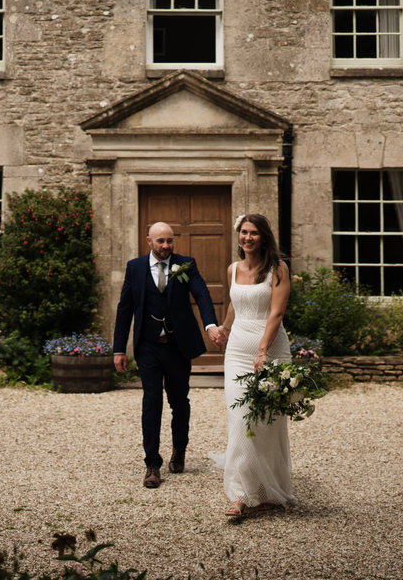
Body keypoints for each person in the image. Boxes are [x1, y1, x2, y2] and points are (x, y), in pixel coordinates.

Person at [113, 221, 225, 489]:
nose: (166, 246)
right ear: (149, 241)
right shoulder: (135, 267)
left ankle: (180, 449)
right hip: (147, 346)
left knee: (179, 401)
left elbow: (202, 294)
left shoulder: (186, 264)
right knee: (151, 402)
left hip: (177, 345)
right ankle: (152, 463)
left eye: (170, 241)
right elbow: (124, 309)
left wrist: (210, 325)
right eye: (161, 241)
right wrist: (118, 349)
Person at [213, 212, 295, 518]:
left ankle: (268, 490)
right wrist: (224, 328)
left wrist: (262, 351)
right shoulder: (233, 268)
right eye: (244, 232)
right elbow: (236, 303)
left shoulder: (277, 269)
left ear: (264, 237)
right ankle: (239, 495)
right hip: (236, 352)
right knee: (239, 417)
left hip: (270, 350)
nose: (248, 237)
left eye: (254, 233)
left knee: (266, 423)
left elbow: (276, 313)